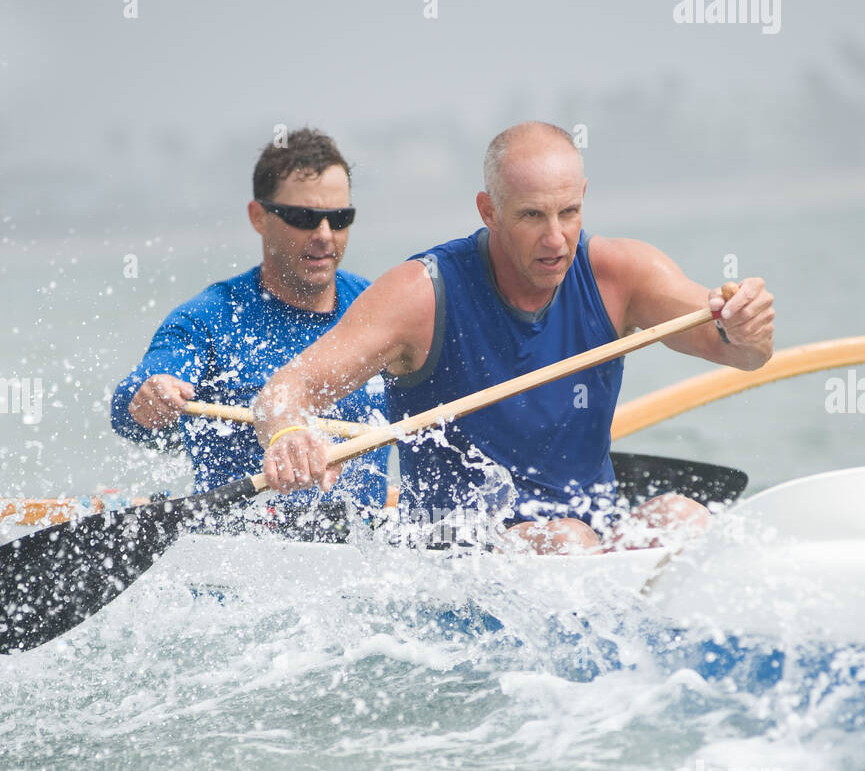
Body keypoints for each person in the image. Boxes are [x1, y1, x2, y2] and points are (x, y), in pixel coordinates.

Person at [250, 121, 775, 552]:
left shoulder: (622, 272)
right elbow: (284, 391)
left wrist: (747, 328)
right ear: (489, 211)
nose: (555, 238)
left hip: (582, 543)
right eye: (531, 216)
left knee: (684, 516)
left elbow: (741, 352)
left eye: (568, 212)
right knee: (569, 542)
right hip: (453, 550)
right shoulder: (421, 295)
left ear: (583, 199)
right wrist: (287, 436)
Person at [110, 127, 388, 538]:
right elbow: (129, 406)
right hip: (243, 561)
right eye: (304, 218)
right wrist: (150, 396)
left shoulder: (376, 306)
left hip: (366, 556)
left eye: (340, 217)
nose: (325, 235)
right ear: (259, 217)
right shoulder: (210, 318)